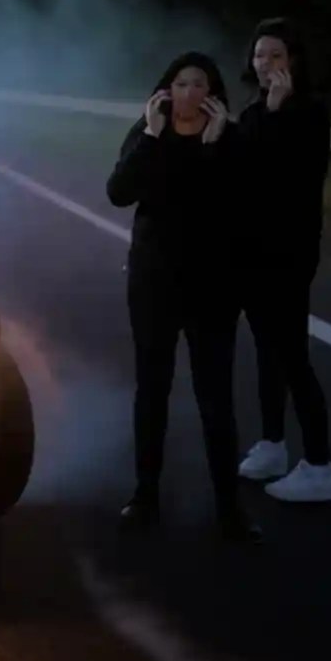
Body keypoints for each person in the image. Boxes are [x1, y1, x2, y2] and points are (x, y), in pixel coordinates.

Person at [107, 51, 261, 542]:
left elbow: (233, 205)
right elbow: (119, 192)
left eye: (199, 86)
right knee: (152, 390)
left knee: (215, 397)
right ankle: (145, 495)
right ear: (165, 90)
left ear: (213, 97)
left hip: (212, 287)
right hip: (153, 284)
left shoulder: (230, 141)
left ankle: (229, 511)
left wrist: (215, 146)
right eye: (180, 84)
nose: (188, 95)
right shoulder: (147, 132)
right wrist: (151, 137)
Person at [233, 17, 331, 502]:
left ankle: (320, 467)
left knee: (292, 353)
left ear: (293, 60)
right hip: (253, 250)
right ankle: (272, 443)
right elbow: (246, 176)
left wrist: (278, 112)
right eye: (260, 55)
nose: (266, 64)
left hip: (290, 252)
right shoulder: (254, 112)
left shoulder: (310, 113)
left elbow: (292, 178)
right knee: (265, 349)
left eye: (276, 55)